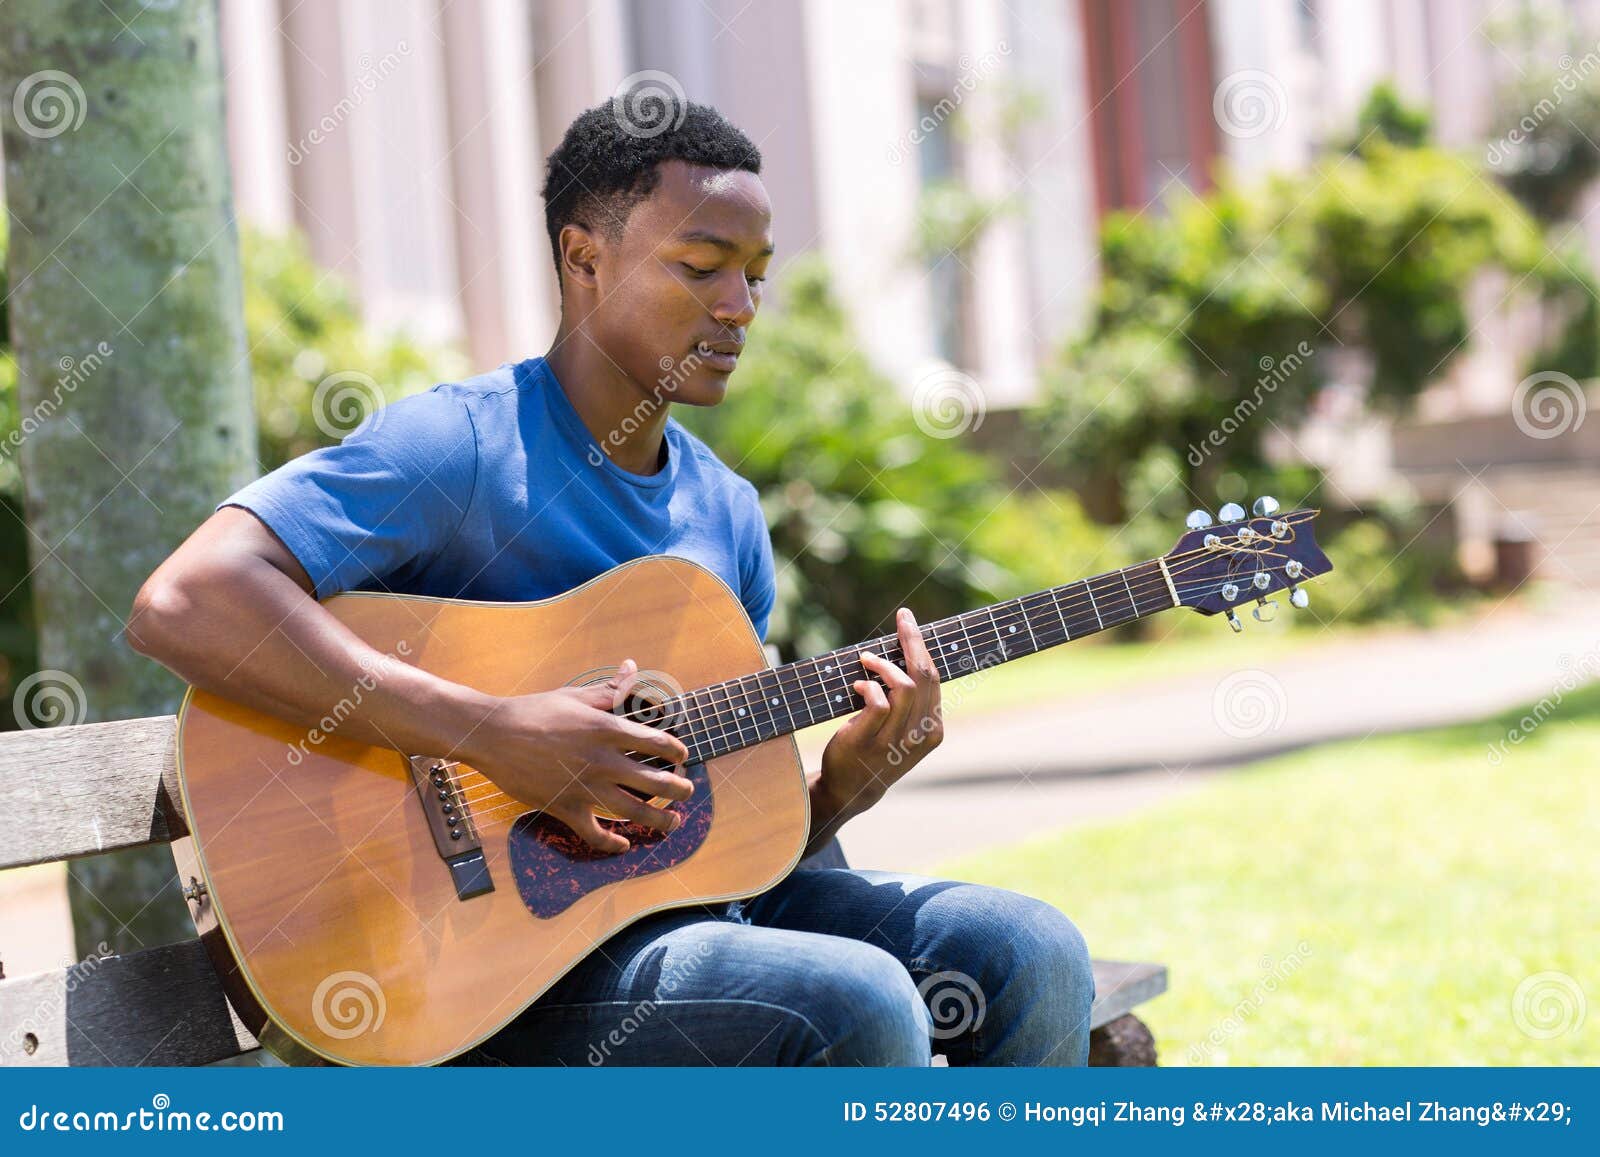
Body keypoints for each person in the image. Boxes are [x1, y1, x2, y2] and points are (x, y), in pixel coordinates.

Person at [129, 96, 1094, 1066]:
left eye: (755, 275)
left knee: (1028, 950)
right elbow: (188, 599)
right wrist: (490, 732)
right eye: (702, 266)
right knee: (857, 1003)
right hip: (474, 976)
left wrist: (844, 783)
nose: (739, 307)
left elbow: (721, 845)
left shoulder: (725, 510)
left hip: (672, 928)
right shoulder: (460, 445)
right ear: (584, 257)